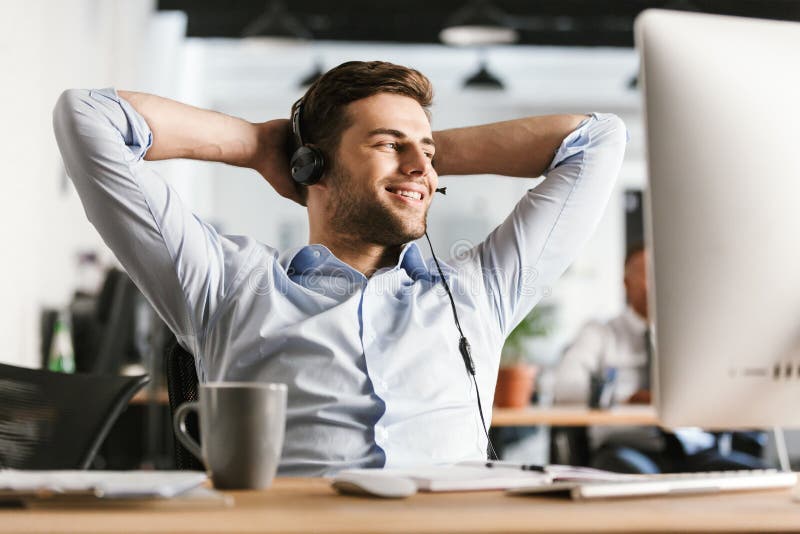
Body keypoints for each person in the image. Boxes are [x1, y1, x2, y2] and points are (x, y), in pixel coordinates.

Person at [53, 60, 627, 476]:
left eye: (427, 152)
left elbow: (598, 140)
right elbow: (87, 116)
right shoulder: (228, 284)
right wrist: (258, 143)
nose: (423, 169)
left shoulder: (479, 291)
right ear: (311, 166)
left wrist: (411, 158)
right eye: (389, 143)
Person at [555, 243, 765, 473]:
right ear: (627, 283)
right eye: (647, 275)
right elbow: (564, 388)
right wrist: (626, 399)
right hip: (625, 446)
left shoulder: (693, 335)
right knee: (636, 476)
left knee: (764, 476)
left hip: (693, 449)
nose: (657, 284)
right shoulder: (600, 333)